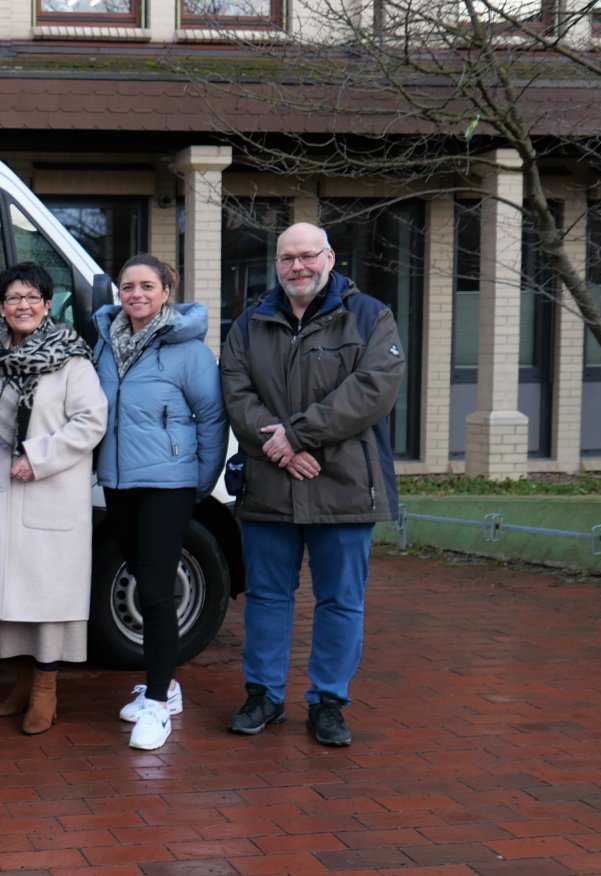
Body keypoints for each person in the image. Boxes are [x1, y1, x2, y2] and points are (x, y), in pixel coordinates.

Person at [220, 222, 405, 748]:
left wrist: (297, 438)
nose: (297, 267)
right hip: (270, 487)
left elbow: (373, 391)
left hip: (343, 484)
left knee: (341, 601)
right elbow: (236, 394)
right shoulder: (249, 323)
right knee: (267, 599)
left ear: (329, 257)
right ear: (276, 264)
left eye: (307, 256)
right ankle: (264, 697)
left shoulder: (370, 316)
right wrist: (279, 448)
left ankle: (328, 701)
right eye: (286, 258)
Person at [0, 261, 107, 736]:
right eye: (12, 298)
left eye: (32, 297)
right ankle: (22, 683)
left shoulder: (72, 358)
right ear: (1, 307)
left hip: (48, 492)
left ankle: (47, 690)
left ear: (48, 304)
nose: (22, 305)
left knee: (48, 603)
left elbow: (91, 422)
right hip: (1, 497)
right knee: (11, 601)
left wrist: (37, 457)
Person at [90, 254, 226, 751]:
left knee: (155, 588)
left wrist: (201, 481)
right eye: (128, 286)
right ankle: (165, 685)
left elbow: (212, 417)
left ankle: (156, 703)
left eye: (148, 286)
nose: (136, 295)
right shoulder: (106, 342)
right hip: (119, 481)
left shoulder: (188, 350)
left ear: (167, 291)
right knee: (140, 571)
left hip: (169, 483)